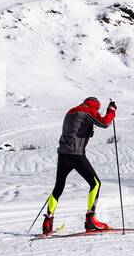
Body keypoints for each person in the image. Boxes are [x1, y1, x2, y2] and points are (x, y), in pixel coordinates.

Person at [42, 96, 117, 235]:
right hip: (76, 155)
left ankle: (48, 220)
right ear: (95, 106)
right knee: (95, 183)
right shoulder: (88, 111)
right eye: (98, 109)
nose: (97, 111)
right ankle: (90, 219)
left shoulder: (71, 111)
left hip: (63, 154)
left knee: (59, 186)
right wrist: (111, 110)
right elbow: (105, 122)